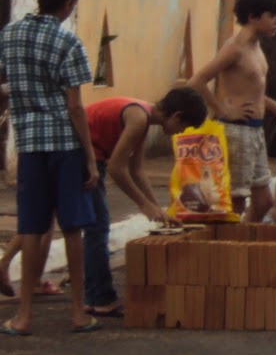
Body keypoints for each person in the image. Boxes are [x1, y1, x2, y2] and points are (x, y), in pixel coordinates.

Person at [0, 0, 101, 336]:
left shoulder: (8, 35)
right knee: (72, 227)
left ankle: (23, 316)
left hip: (29, 144)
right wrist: (90, 157)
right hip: (64, 143)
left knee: (30, 227)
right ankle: (77, 313)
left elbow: (4, 85)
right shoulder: (68, 42)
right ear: (70, 2)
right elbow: (75, 107)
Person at [73, 87, 208, 319]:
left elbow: (136, 170)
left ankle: (94, 297)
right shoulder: (138, 118)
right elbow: (117, 168)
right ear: (176, 116)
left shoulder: (143, 118)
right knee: (97, 227)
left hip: (90, 156)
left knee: (95, 227)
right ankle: (101, 298)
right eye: (183, 127)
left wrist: (158, 208)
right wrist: (143, 205)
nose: (179, 133)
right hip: (78, 154)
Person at [189, 0, 276, 223]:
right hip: (236, 132)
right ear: (253, 17)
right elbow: (197, 81)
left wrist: (275, 106)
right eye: (272, 16)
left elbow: (251, 90)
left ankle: (240, 243)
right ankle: (226, 251)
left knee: (264, 201)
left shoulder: (256, 46)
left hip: (255, 131)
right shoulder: (234, 48)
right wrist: (222, 109)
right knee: (236, 200)